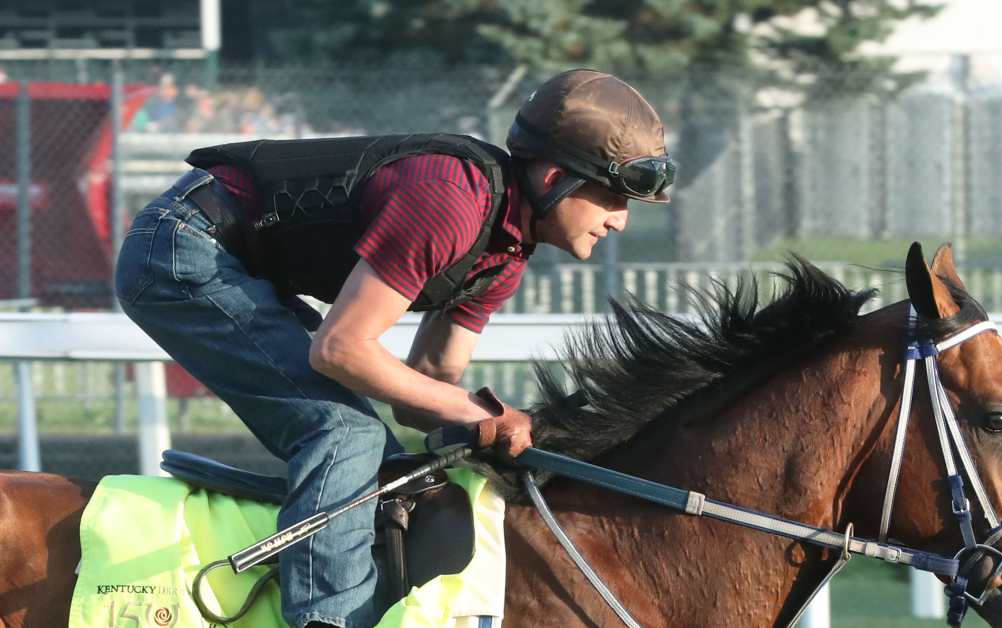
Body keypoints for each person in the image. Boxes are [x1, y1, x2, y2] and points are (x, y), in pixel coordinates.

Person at [113, 68, 674, 628]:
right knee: (342, 433)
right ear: (555, 178)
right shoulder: (450, 202)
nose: (620, 222)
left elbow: (425, 387)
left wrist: (518, 427)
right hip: (181, 247)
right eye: (612, 200)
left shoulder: (505, 255)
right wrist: (489, 415)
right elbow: (339, 350)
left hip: (233, 261)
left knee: (389, 466)